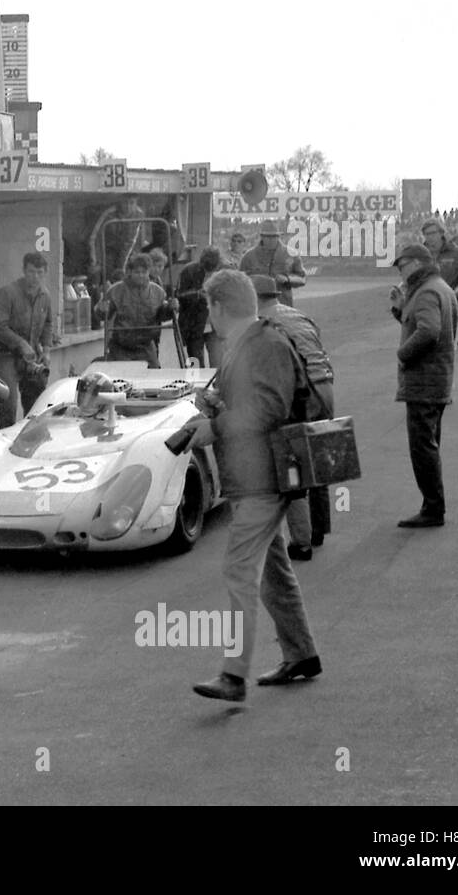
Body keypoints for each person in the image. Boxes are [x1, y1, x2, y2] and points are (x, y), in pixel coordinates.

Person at [178, 271, 321, 702]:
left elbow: (269, 408)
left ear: (219, 307)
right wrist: (219, 406)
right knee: (272, 570)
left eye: (209, 307)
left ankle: (234, 675)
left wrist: (215, 426)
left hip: (264, 475)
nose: (209, 316)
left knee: (240, 571)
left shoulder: (263, 345)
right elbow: (257, 403)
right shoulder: (254, 343)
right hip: (259, 475)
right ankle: (301, 654)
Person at [252, 275, 336, 559]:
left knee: (292, 465)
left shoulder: (262, 323)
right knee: (319, 460)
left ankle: (301, 541)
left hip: (300, 393)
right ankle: (318, 530)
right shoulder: (299, 315)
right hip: (325, 386)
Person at [388, 243, 456, 527]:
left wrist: (402, 354)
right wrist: (400, 308)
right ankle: (433, 506)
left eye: (402, 265)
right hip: (436, 378)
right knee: (429, 444)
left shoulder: (427, 290)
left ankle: (432, 509)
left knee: (422, 447)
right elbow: (425, 323)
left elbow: (428, 331)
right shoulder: (437, 286)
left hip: (424, 380)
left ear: (415, 263)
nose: (400, 271)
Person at [0, 252, 55, 429]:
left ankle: (31, 441)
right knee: (8, 403)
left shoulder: (45, 296)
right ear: (24, 270)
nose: (35, 277)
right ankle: (3, 442)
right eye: (31, 272)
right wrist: (20, 343)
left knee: (36, 404)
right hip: (5, 355)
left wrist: (47, 350)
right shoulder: (7, 293)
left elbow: (48, 324)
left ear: (45, 272)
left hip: (32, 357)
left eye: (40, 272)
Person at [100, 253, 179, 367]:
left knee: (154, 374)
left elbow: (162, 316)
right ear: (130, 272)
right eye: (137, 272)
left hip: (146, 345)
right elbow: (102, 315)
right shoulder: (116, 291)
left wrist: (171, 308)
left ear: (148, 272)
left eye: (144, 272)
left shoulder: (158, 292)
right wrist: (102, 310)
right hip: (121, 346)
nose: (141, 275)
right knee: (124, 377)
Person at [421, 218, 458, 340]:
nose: (429, 237)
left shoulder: (456, 252)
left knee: (446, 350)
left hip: (452, 307)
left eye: (433, 233)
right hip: (427, 308)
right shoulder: (420, 254)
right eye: (426, 234)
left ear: (441, 233)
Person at [176, 247, 224, 367]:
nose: (209, 272)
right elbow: (179, 295)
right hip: (193, 324)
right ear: (201, 262)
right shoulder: (188, 271)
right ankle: (195, 383)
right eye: (206, 268)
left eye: (213, 268)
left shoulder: (224, 272)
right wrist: (197, 294)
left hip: (215, 325)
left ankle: (217, 385)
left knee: (218, 363)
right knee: (195, 364)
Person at [240, 220, 307, 306]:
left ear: (279, 236)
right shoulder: (248, 256)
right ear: (262, 236)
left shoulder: (291, 254)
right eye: (268, 236)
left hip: (283, 304)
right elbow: (240, 281)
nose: (271, 239)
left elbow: (302, 279)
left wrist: (287, 279)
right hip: (257, 305)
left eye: (274, 236)